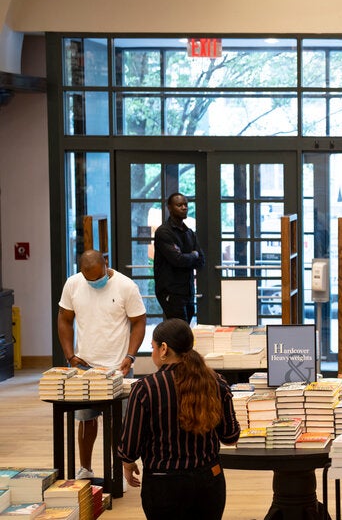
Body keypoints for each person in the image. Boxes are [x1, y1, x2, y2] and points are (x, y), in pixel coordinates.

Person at [118, 318, 240, 519]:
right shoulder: (216, 383)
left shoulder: (145, 388)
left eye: (153, 348)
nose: (153, 353)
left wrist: (128, 463)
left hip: (162, 485)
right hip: (209, 482)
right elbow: (230, 436)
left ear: (164, 349)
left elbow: (130, 447)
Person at [57, 249, 147, 481]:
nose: (95, 282)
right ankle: (85, 468)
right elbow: (65, 319)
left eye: (99, 277)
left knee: (121, 424)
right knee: (86, 421)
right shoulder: (73, 284)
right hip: (85, 366)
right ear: (82, 273)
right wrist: (70, 356)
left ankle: (119, 471)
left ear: (106, 264)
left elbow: (138, 322)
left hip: (120, 367)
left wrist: (131, 356)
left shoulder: (126, 286)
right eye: (90, 279)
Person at [153, 192, 205, 322]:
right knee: (177, 330)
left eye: (186, 205)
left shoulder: (189, 232)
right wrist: (193, 255)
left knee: (185, 328)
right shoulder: (164, 232)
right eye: (179, 205)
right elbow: (177, 260)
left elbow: (201, 261)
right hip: (170, 292)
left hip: (187, 291)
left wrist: (188, 257)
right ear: (170, 208)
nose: (184, 208)